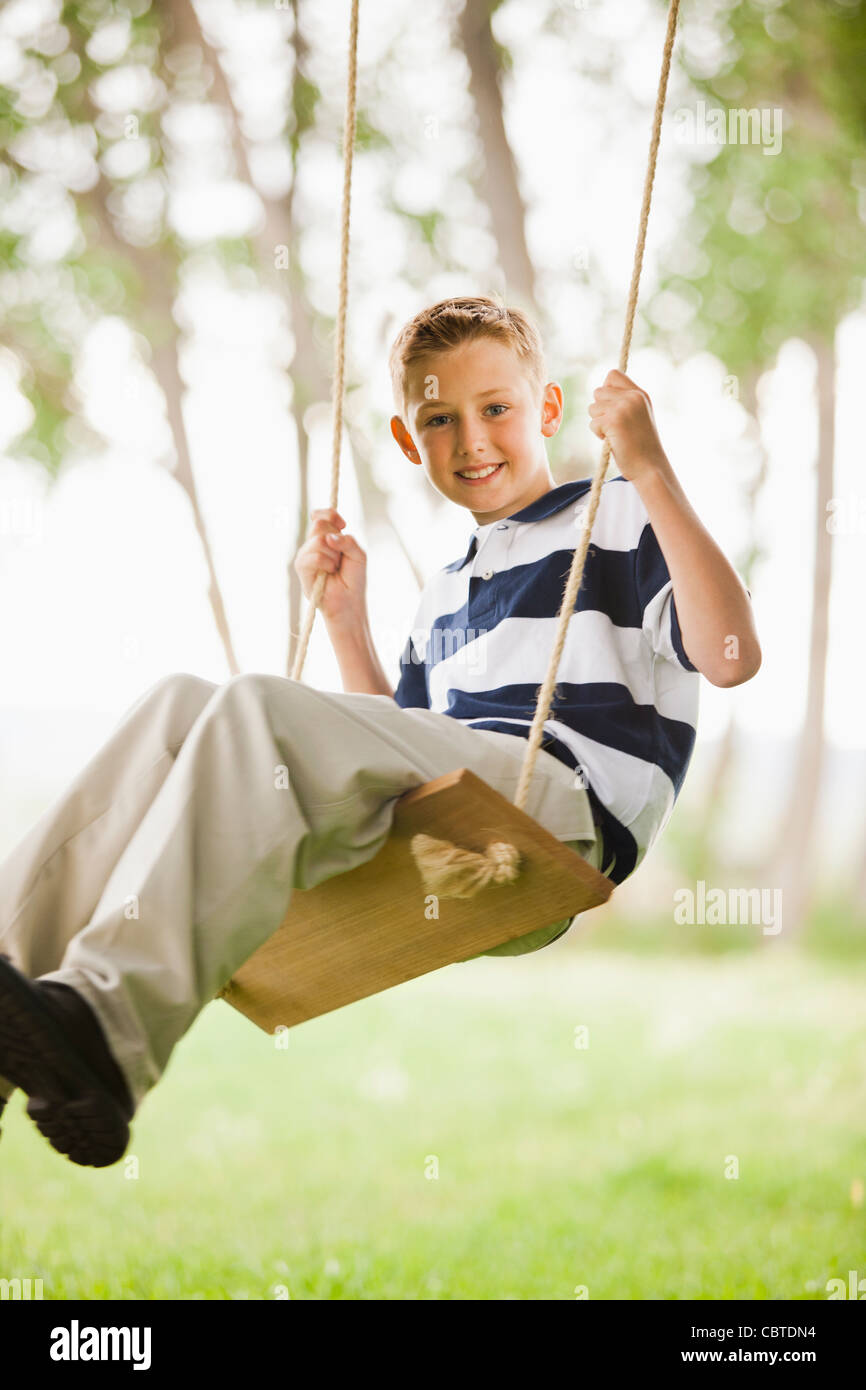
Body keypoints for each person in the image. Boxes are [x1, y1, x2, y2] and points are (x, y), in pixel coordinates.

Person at [0, 296, 761, 1168]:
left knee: (255, 706)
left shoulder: (619, 513)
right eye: (440, 419)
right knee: (177, 703)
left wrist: (651, 468)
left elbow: (731, 657)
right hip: (466, 822)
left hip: (554, 817)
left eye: (496, 409)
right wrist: (346, 624)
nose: (472, 440)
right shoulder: (445, 591)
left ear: (548, 410)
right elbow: (397, 759)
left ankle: (109, 1024)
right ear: (410, 442)